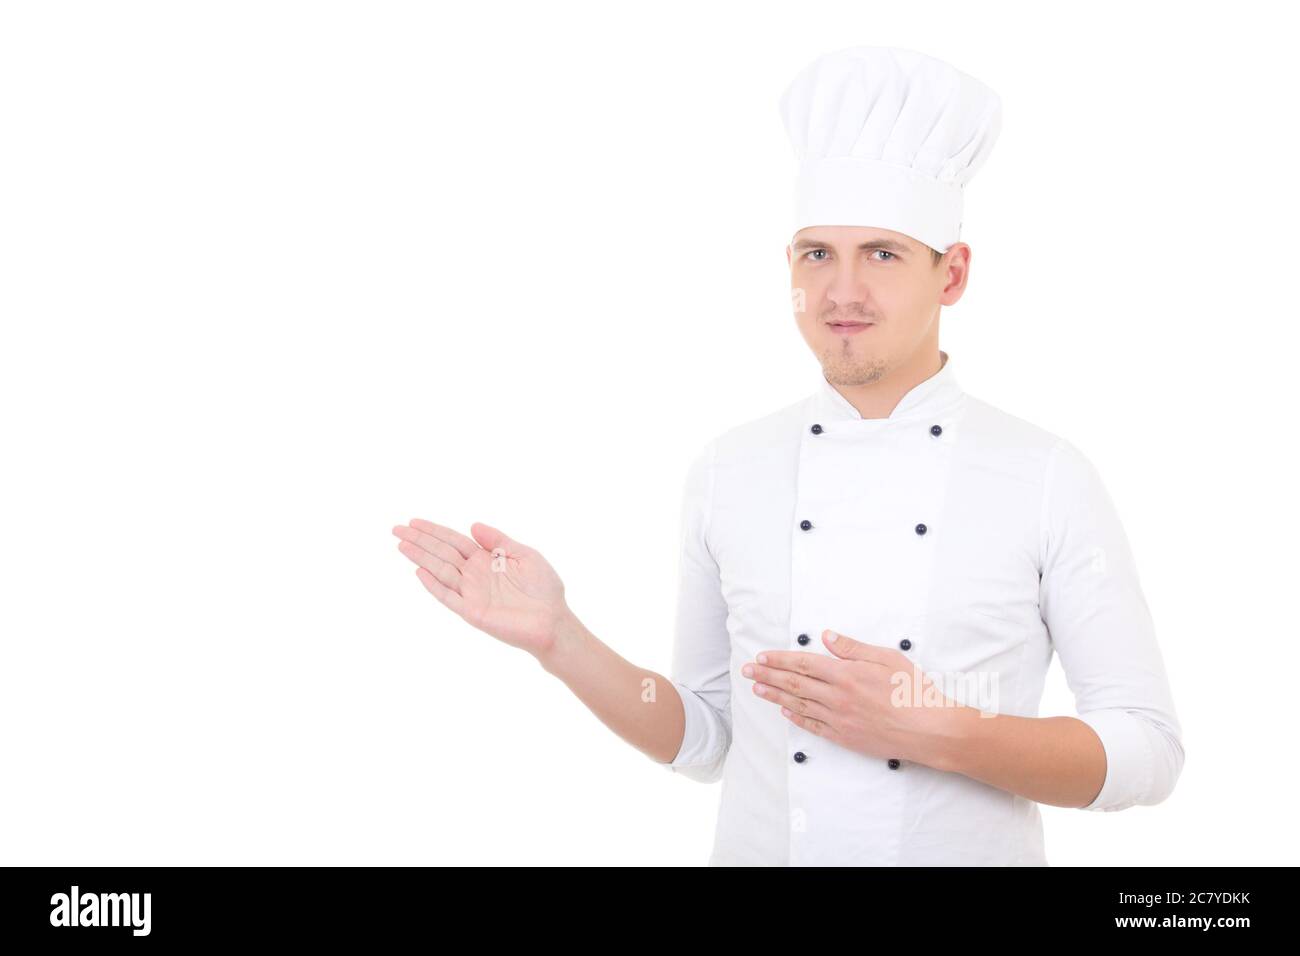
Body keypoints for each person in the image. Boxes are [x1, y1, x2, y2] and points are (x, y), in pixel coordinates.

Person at [391, 45, 1184, 866]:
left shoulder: (1046, 476)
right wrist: (562, 639)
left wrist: (938, 729)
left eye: (882, 253)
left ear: (951, 276)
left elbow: (1147, 750)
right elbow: (704, 737)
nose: (842, 291)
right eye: (818, 254)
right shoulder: (728, 469)